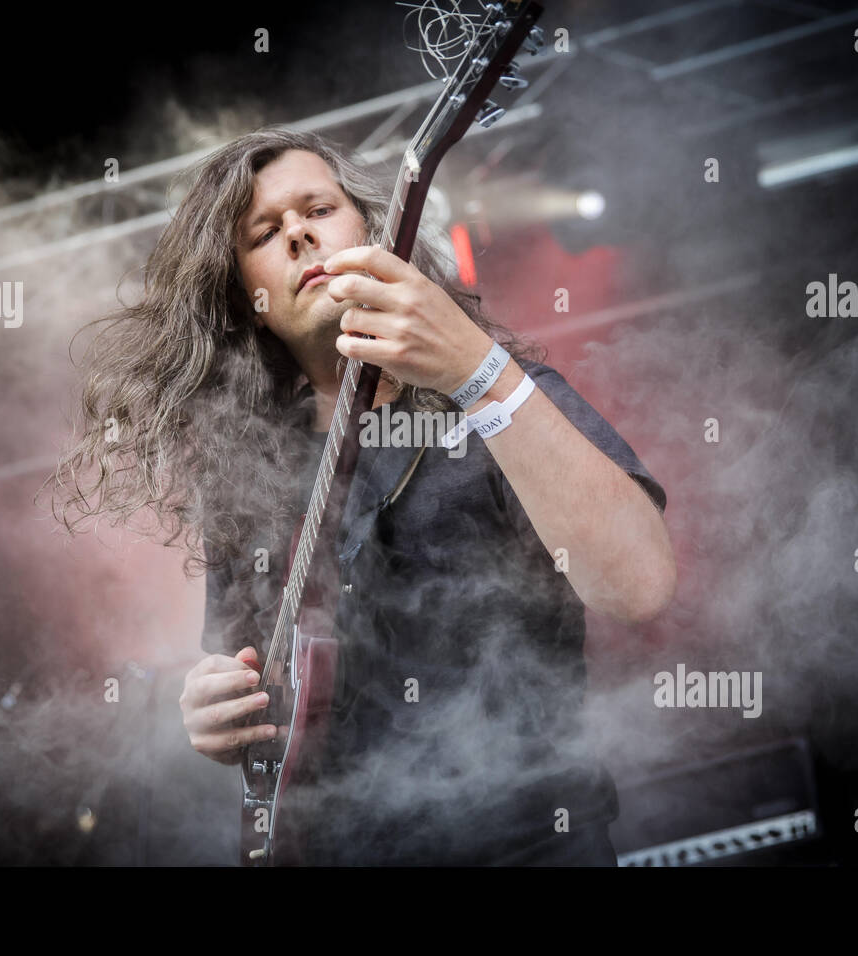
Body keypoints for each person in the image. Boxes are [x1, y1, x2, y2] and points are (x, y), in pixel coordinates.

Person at [52, 126, 675, 865]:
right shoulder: (245, 475)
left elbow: (640, 585)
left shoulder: (505, 400)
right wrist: (212, 716)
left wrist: (478, 374)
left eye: (317, 210)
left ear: (373, 231)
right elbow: (257, 687)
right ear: (249, 299)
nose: (298, 237)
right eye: (265, 232)